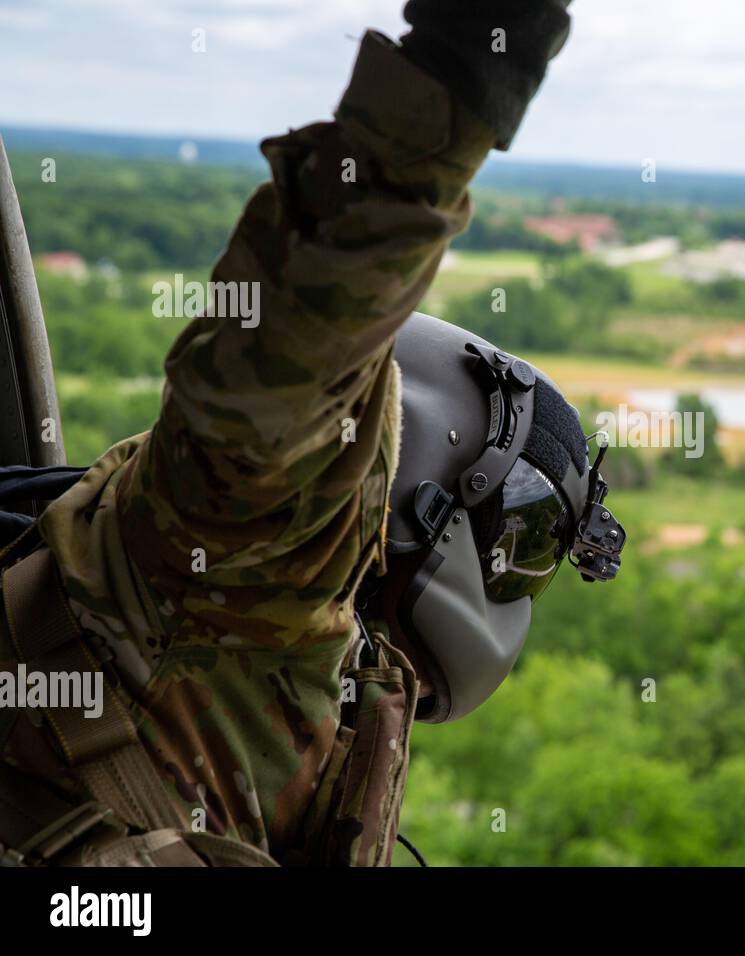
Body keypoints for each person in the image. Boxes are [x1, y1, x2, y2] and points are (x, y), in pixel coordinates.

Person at [0, 0, 622, 867]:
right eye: (519, 539)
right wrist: (473, 61)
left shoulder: (311, 669)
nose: (517, 579)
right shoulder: (238, 559)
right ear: (415, 473)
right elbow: (291, 351)